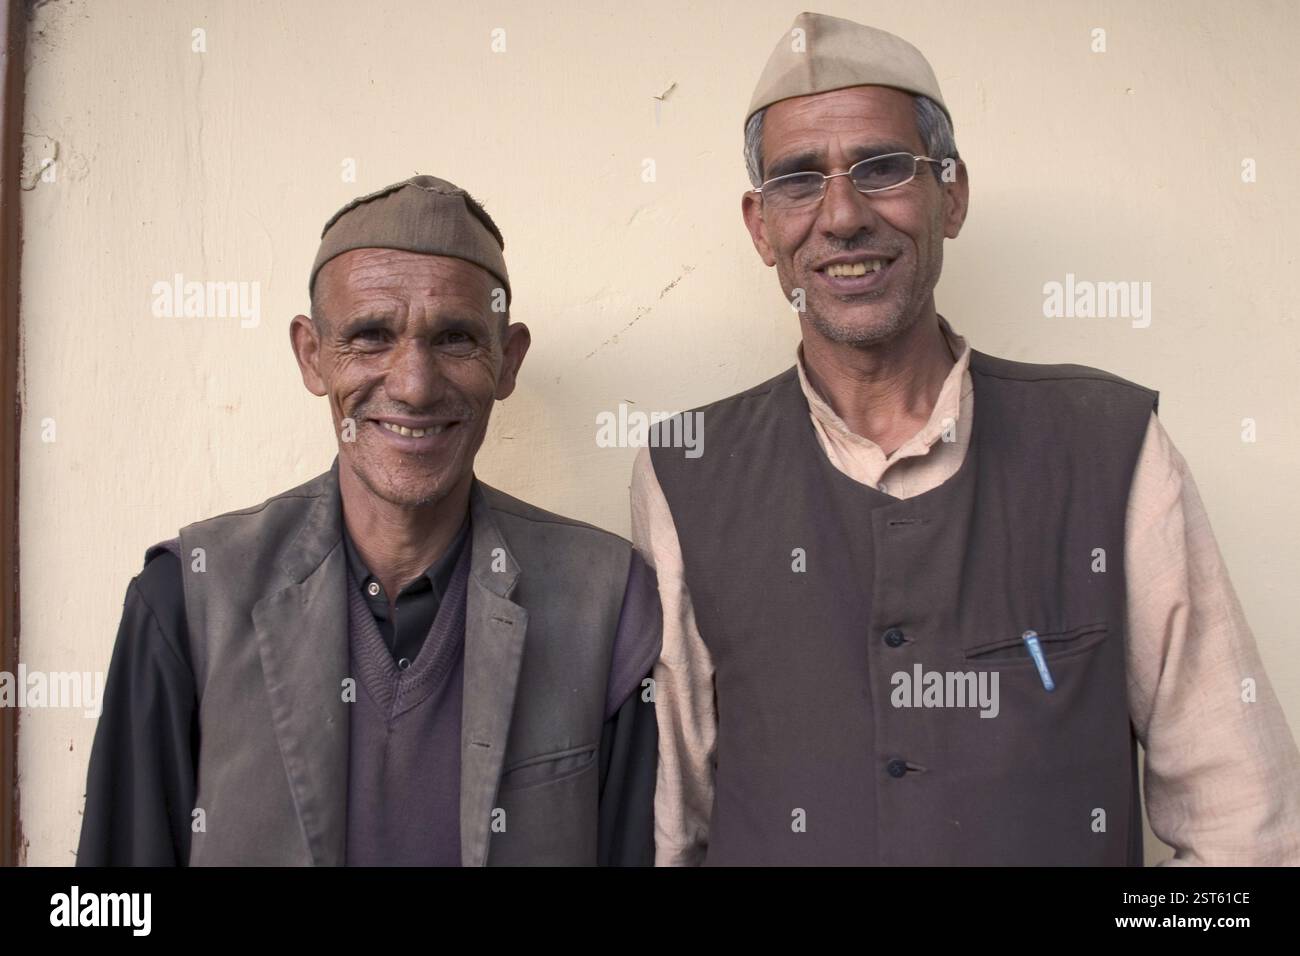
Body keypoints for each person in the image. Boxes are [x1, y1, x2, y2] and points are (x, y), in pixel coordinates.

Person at [634, 12, 1300, 865]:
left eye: (881, 169)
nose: (841, 216)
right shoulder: (685, 471)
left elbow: (1247, 833)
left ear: (951, 194)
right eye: (800, 182)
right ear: (761, 227)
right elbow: (670, 827)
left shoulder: (1111, 448)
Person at [79, 175, 661, 866]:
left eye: (454, 338)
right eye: (370, 336)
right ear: (311, 354)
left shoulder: (606, 599)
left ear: (507, 361)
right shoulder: (189, 600)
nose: (413, 384)